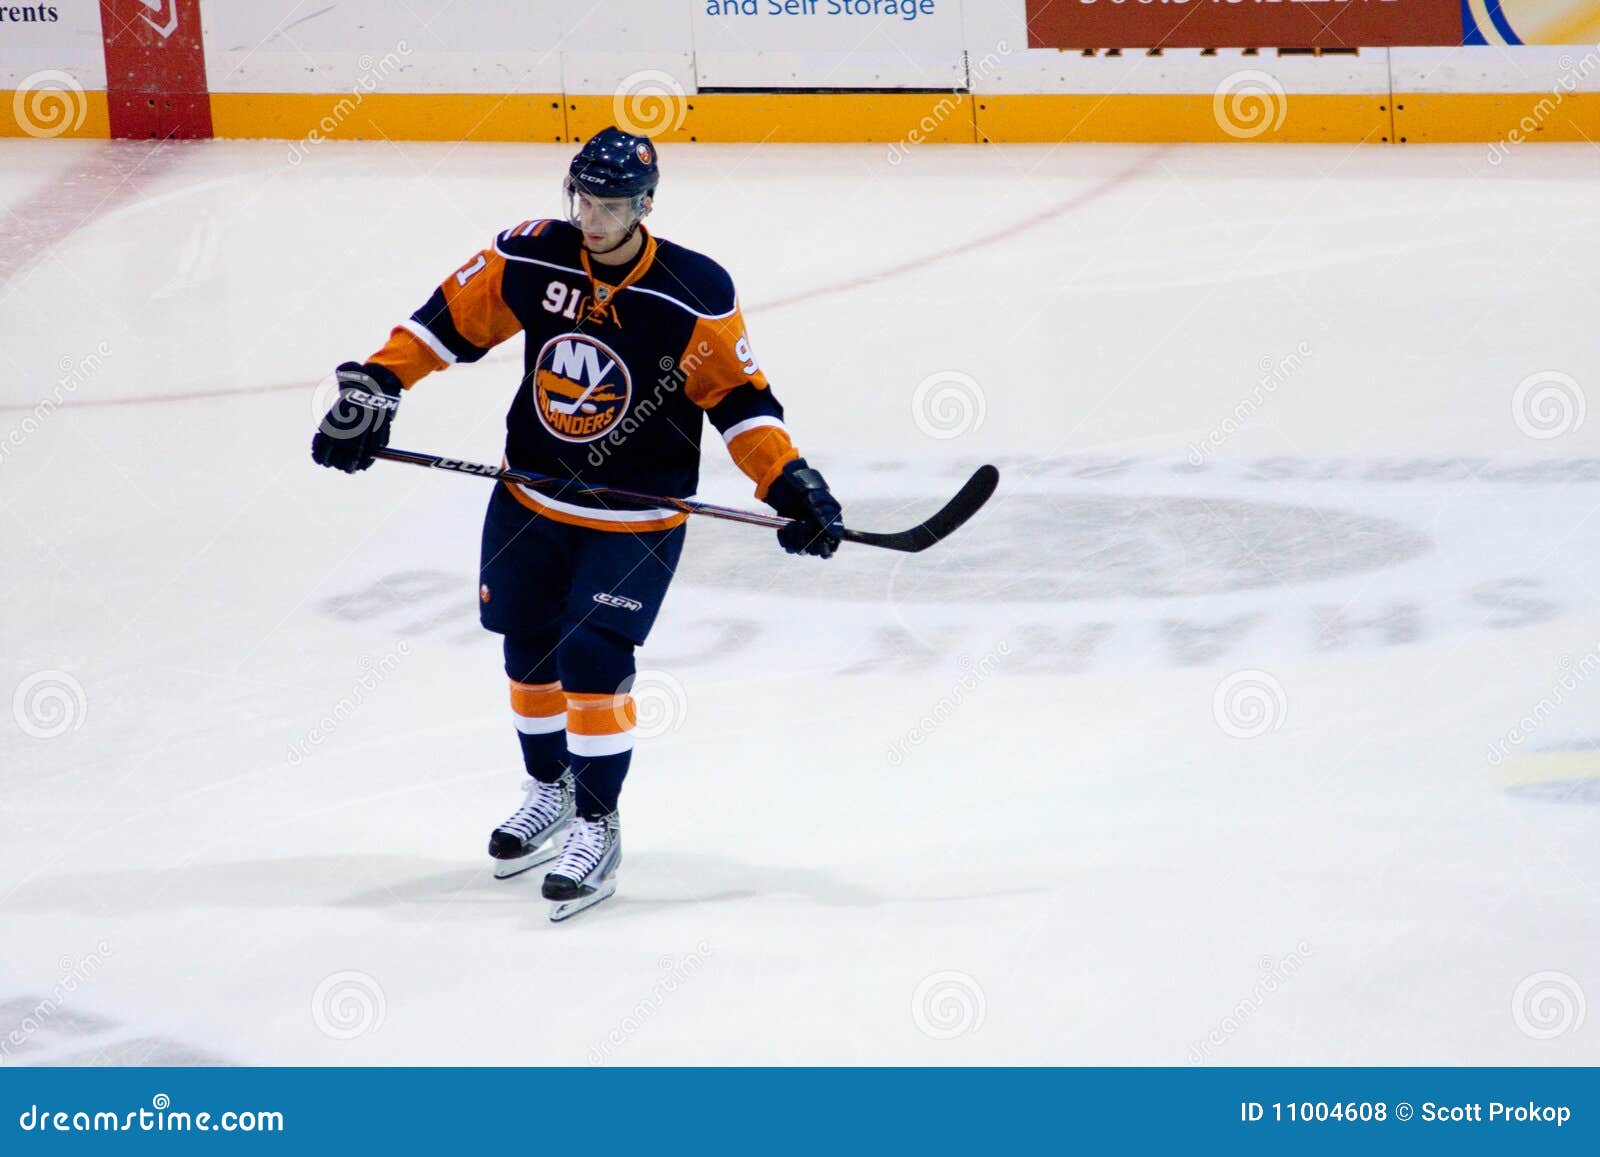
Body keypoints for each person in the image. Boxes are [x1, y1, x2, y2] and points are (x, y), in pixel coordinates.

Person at [311, 127, 843, 920]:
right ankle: (549, 788)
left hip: (636, 514)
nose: (593, 220)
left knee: (593, 654)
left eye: (613, 205)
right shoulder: (532, 254)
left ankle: (599, 824)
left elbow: (738, 400)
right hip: (533, 494)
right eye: (584, 200)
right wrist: (378, 388)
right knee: (527, 645)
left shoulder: (691, 290)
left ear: (646, 205)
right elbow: (444, 323)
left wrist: (787, 480)